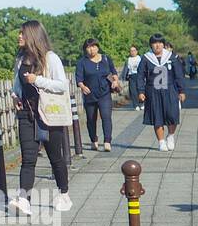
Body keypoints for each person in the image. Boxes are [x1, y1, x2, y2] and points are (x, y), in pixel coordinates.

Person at [10, 19, 72, 214]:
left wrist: (38, 80)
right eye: (19, 33)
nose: (19, 36)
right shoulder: (20, 59)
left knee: (55, 157)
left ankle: (64, 193)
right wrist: (15, 96)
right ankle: (24, 199)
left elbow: (62, 85)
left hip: (49, 114)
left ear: (33, 36)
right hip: (27, 113)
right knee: (28, 158)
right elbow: (17, 84)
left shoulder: (50, 58)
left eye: (23, 33)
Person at [137, 33, 185, 152]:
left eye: (160, 43)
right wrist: (141, 91)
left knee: (172, 114)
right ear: (151, 45)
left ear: (163, 44)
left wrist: (181, 90)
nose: (157, 45)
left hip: (170, 90)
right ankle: (161, 141)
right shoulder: (146, 58)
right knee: (157, 116)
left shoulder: (171, 57)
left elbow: (179, 74)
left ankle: (171, 136)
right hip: (153, 91)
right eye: (155, 43)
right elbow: (140, 75)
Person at [75, 38, 118, 151]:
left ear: (98, 47)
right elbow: (79, 79)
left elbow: (114, 72)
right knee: (91, 118)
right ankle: (94, 139)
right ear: (85, 49)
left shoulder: (106, 58)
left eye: (93, 46)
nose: (91, 49)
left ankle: (107, 141)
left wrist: (115, 81)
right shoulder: (82, 62)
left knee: (106, 116)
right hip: (90, 94)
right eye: (89, 47)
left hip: (104, 93)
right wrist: (83, 86)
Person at [124, 45, 143, 111]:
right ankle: (136, 105)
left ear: (137, 51)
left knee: (140, 90)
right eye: (131, 51)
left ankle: (142, 103)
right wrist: (124, 77)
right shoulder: (128, 60)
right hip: (132, 76)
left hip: (140, 76)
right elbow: (125, 69)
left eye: (134, 50)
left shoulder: (140, 58)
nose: (132, 52)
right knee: (133, 91)